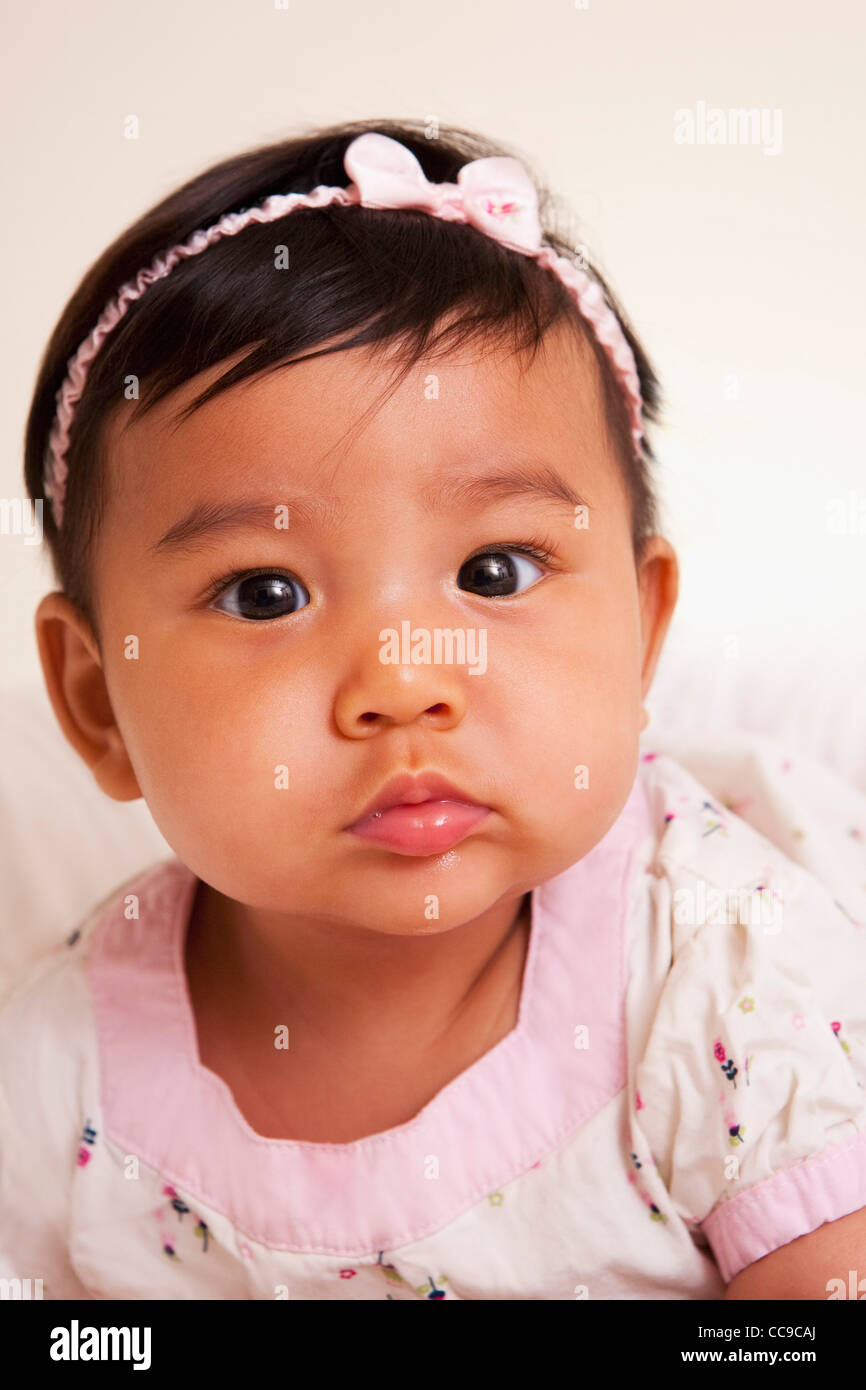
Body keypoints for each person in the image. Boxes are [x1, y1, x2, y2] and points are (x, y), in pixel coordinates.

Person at [3, 117, 865, 1300]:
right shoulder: (63, 1078)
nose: (402, 679)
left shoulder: (723, 967)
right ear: (97, 703)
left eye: (495, 571)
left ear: (640, 627)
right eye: (266, 593)